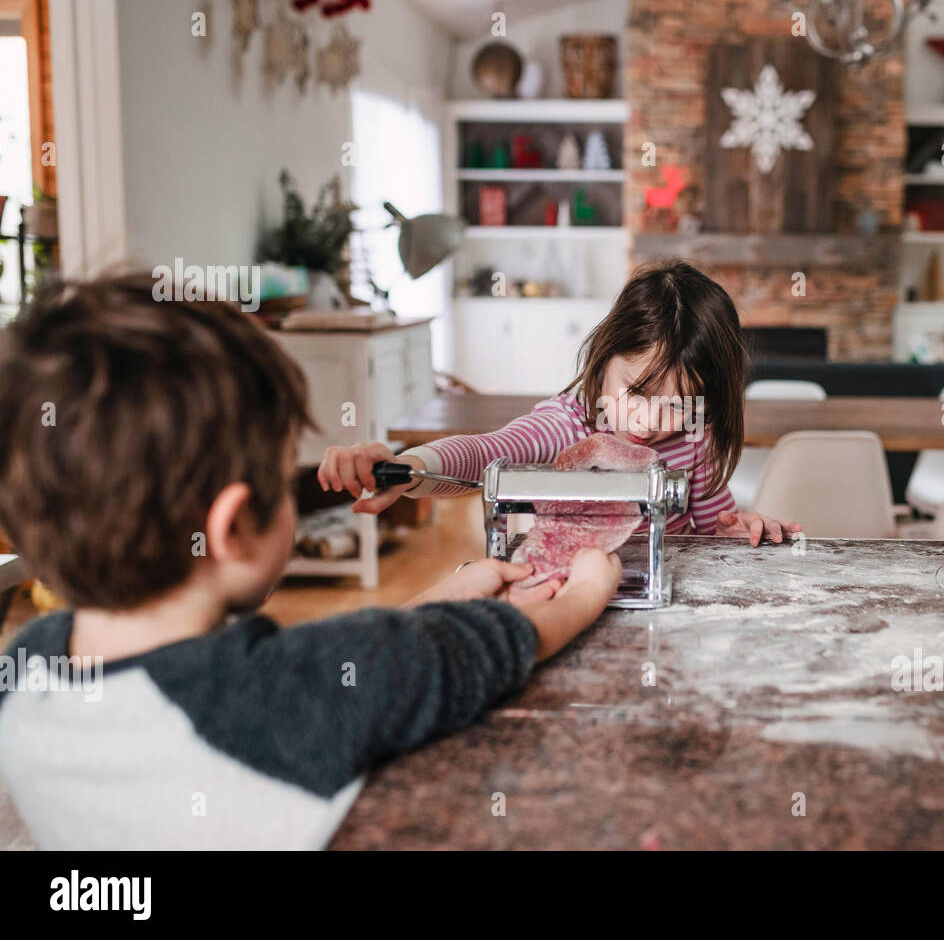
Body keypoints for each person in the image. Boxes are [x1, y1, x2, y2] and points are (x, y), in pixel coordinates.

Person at [0, 275, 618, 849]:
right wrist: (583, 595)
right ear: (234, 529)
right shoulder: (276, 698)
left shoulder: (31, 669)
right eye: (282, 478)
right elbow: (459, 653)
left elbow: (337, 661)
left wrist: (450, 593)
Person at [319, 259, 802, 547]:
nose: (652, 421)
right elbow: (488, 453)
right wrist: (408, 469)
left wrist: (741, 530)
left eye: (679, 405)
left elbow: (710, 528)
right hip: (573, 602)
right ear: (604, 356)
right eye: (635, 392)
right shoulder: (570, 424)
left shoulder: (696, 432)